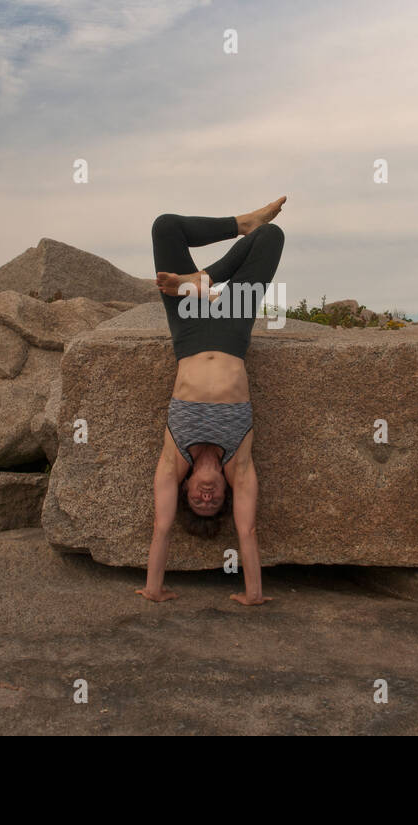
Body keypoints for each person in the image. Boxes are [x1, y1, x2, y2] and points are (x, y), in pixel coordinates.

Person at [135, 197, 286, 606]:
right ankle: (239, 234)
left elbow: (162, 528)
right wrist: (253, 594)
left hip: (189, 328)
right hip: (232, 326)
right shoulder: (239, 464)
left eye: (197, 502)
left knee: (165, 225)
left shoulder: (173, 462)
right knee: (270, 234)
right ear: (224, 493)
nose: (206, 497)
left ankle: (206, 274)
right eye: (213, 502)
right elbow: (248, 532)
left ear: (184, 492)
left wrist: (153, 589)